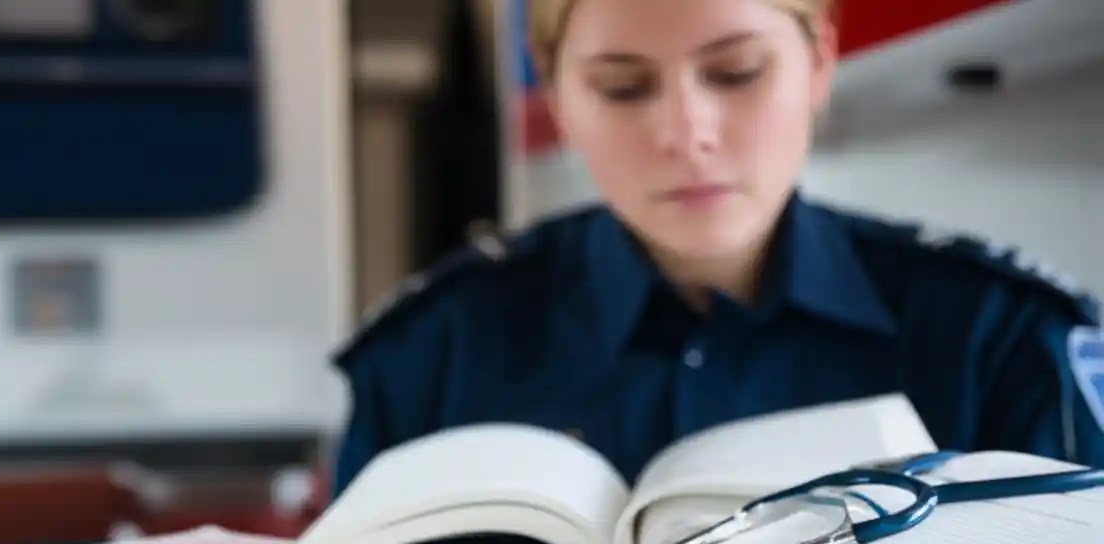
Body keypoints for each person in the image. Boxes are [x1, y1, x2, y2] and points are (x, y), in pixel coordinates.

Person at [329, 0, 1104, 500]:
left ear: (818, 67)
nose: (686, 133)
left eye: (736, 72)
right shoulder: (430, 356)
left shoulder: (1001, 339)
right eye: (624, 87)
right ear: (560, 102)